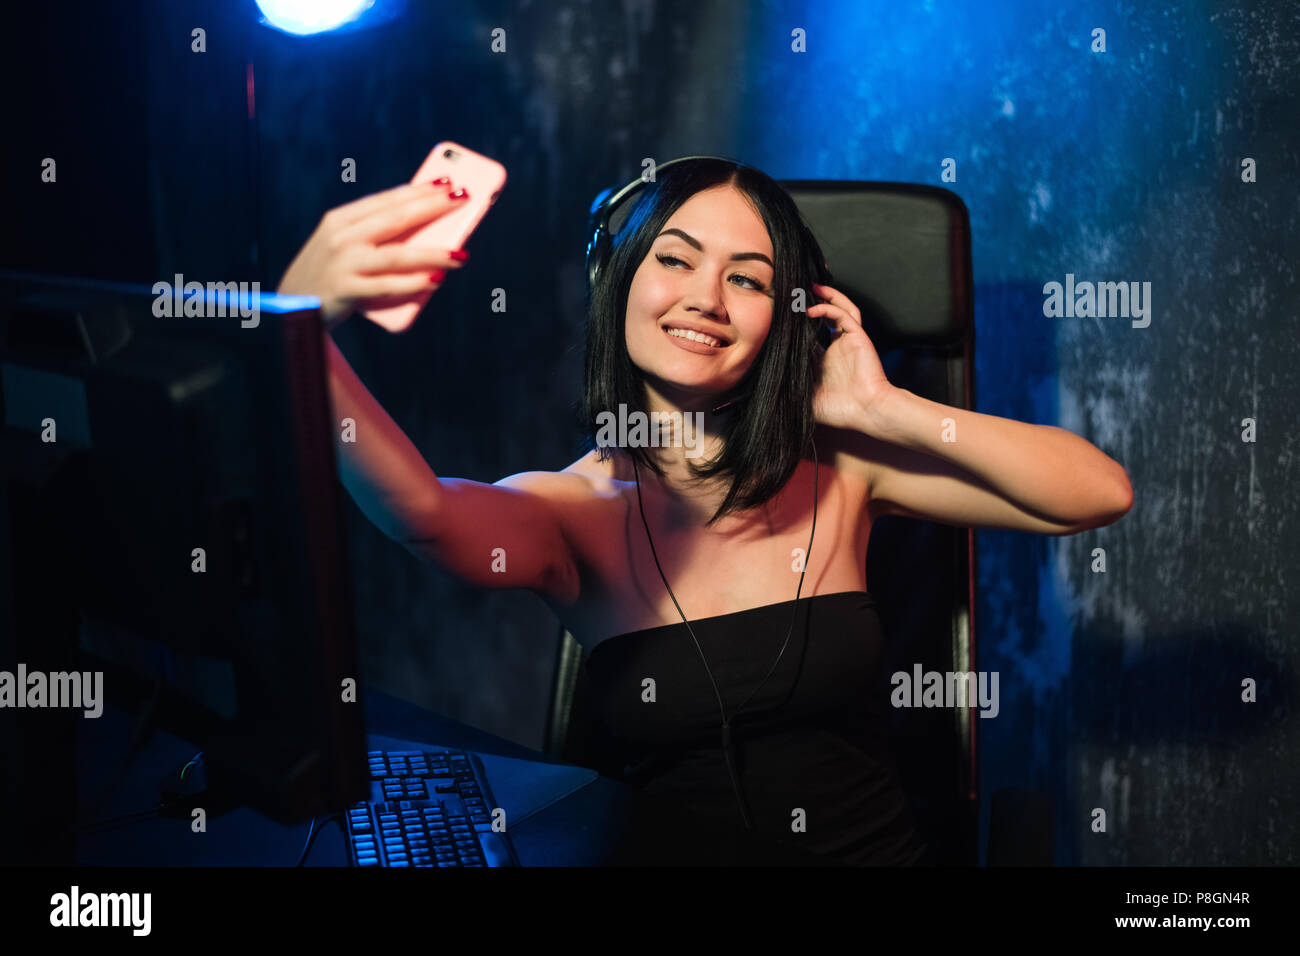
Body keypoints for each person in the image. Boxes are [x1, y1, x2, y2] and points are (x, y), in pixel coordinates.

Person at [277, 158, 1133, 865]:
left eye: (747, 279)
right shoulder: (574, 512)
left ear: (783, 321)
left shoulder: (844, 469)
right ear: (620, 280)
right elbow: (424, 515)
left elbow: (1098, 492)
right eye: (676, 260)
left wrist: (888, 408)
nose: (707, 298)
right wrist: (298, 334)